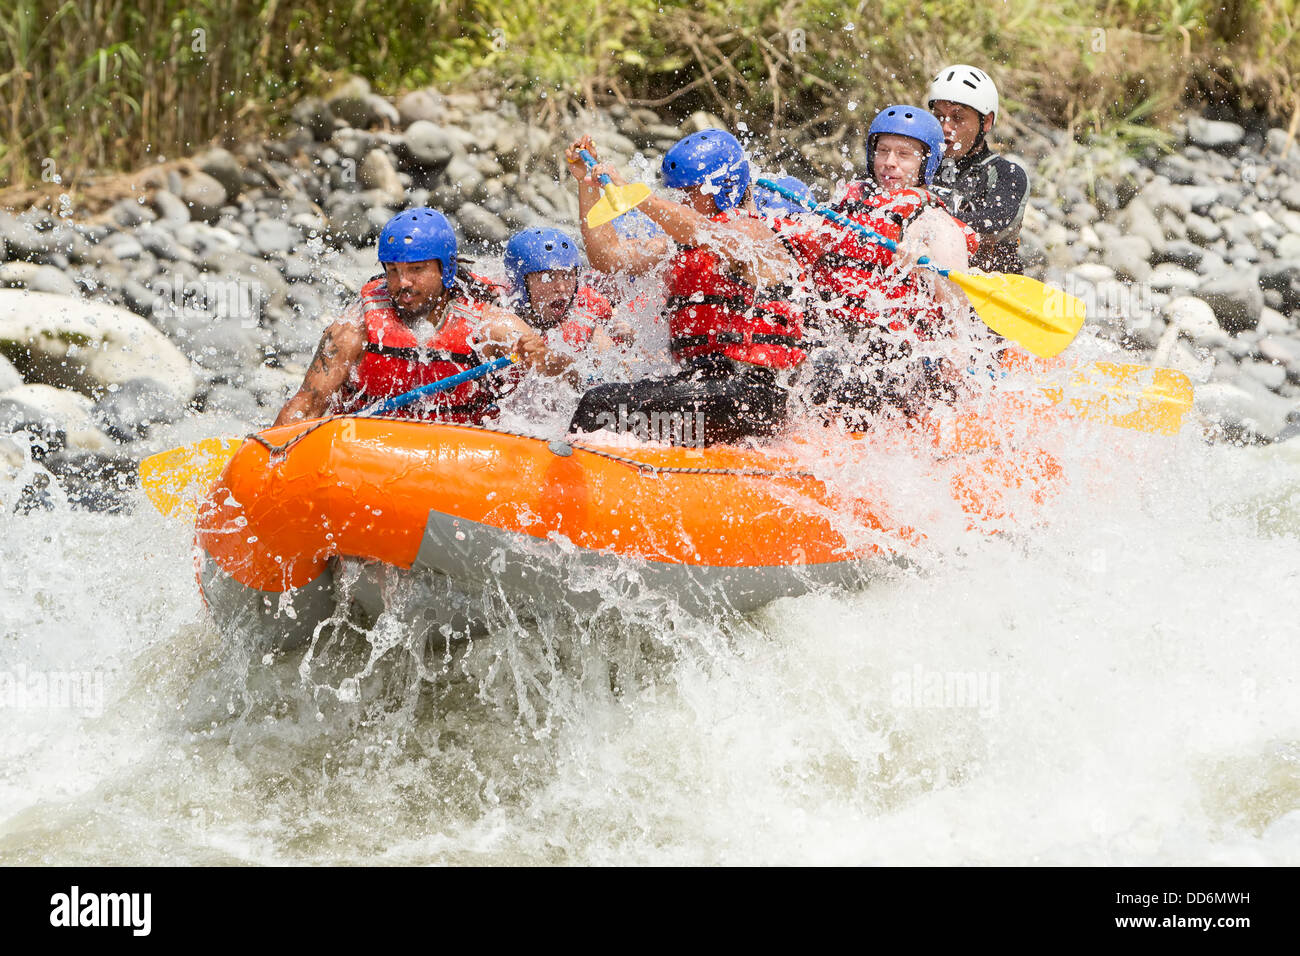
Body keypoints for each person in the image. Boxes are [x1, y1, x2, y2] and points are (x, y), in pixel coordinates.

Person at [562, 130, 806, 446]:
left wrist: (635, 194)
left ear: (723, 188)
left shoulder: (751, 233)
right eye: (681, 193)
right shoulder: (676, 244)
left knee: (601, 405)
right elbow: (608, 257)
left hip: (752, 395)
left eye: (692, 191)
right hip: (706, 391)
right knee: (605, 400)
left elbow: (701, 231)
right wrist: (586, 186)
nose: (684, 200)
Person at [783, 105, 981, 425]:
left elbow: (957, 319)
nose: (889, 163)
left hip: (895, 359)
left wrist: (952, 388)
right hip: (830, 340)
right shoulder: (845, 207)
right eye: (884, 151)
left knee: (828, 376)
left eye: (904, 154)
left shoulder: (933, 225)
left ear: (925, 163)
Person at [273, 208, 561, 427]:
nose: (403, 283)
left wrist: (541, 359)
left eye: (417, 270)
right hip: (365, 454)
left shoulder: (491, 327)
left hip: (461, 460)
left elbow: (563, 379)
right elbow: (306, 405)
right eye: (394, 271)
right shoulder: (354, 329)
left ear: (446, 270)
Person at [927, 64, 1029, 274]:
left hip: (988, 289)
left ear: (987, 122)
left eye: (958, 118)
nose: (945, 127)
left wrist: (922, 219)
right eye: (938, 116)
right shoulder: (920, 164)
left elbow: (993, 222)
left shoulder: (1006, 174)